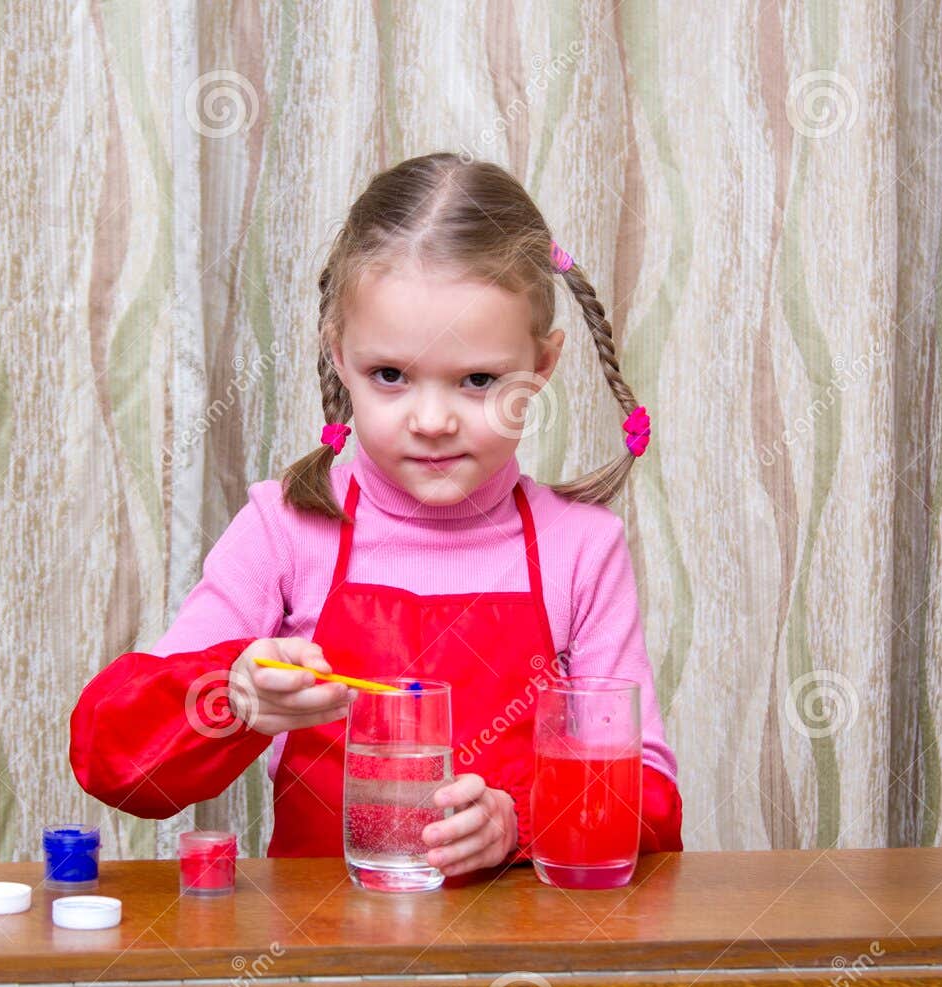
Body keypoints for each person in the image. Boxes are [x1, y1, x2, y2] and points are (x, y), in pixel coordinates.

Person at [70, 152, 682, 877]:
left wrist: (518, 819)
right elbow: (109, 757)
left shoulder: (582, 548)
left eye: (478, 380)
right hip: (317, 964)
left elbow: (653, 798)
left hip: (522, 967)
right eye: (389, 375)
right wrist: (231, 693)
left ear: (542, 367)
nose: (430, 419)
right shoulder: (286, 530)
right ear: (340, 355)